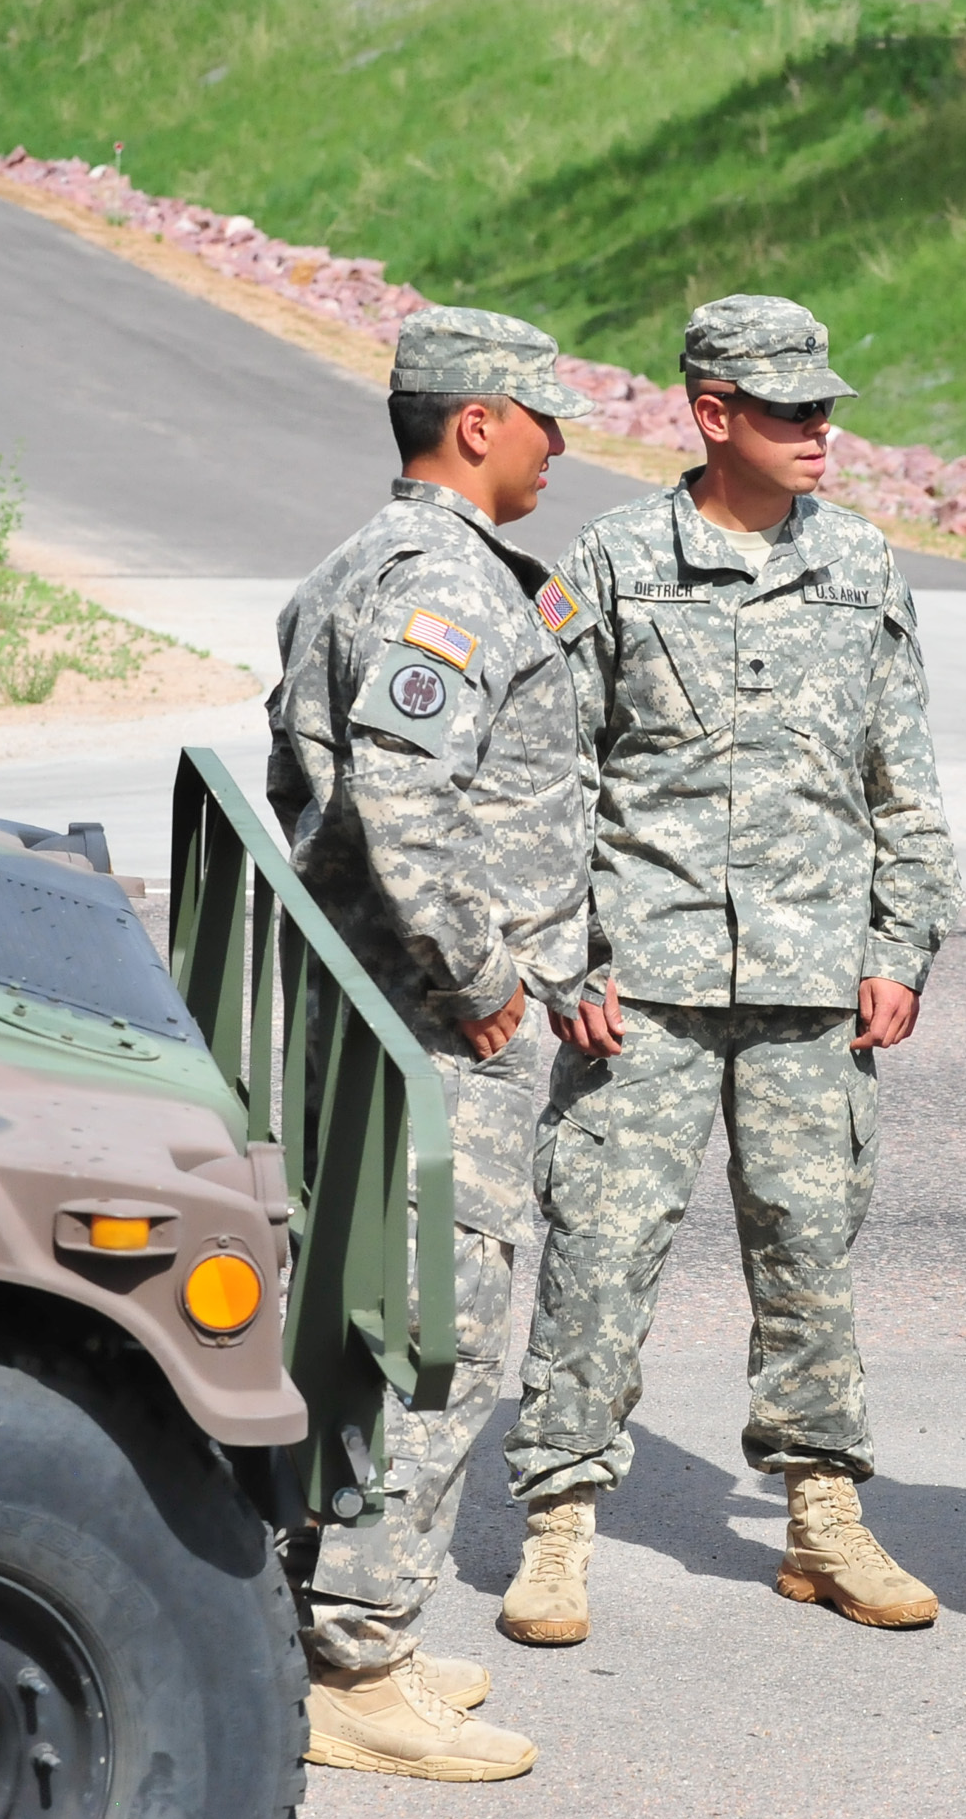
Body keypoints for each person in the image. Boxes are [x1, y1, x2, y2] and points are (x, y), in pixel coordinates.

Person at [496, 293, 960, 1649]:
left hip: (817, 982)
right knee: (602, 1248)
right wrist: (564, 955)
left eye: (826, 409)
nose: (823, 432)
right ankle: (560, 1527)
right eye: (793, 411)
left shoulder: (864, 567)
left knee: (810, 1252)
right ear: (713, 416)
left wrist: (903, 942)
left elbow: (905, 786)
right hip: (644, 976)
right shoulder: (619, 561)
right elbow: (547, 778)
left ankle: (821, 1519)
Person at [265, 304, 596, 1784]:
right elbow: (404, 798)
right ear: (476, 423)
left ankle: (336, 1613)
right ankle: (358, 1658)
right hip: (432, 1026)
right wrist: (485, 981)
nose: (558, 449)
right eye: (543, 421)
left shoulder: (364, 560)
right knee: (443, 1336)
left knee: (361, 1325)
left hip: (378, 1013)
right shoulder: (439, 584)